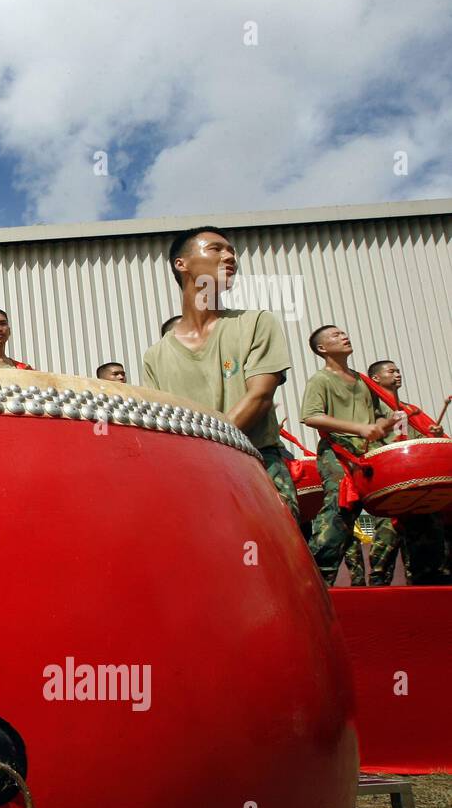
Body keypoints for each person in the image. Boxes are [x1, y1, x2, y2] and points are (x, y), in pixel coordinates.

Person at [141, 227, 298, 518]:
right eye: (216, 249)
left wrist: (206, 455)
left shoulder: (256, 323)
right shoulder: (155, 356)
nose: (230, 257)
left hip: (256, 462)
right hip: (188, 476)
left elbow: (260, 396)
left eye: (232, 252)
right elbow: (161, 427)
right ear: (182, 263)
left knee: (275, 557)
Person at [300, 329, 447, 585]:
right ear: (322, 349)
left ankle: (428, 575)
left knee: (414, 501)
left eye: (344, 333)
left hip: (370, 452)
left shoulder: (362, 380)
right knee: (341, 508)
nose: (344, 337)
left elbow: (379, 415)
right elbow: (311, 416)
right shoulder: (320, 380)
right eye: (335, 335)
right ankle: (316, 580)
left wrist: (383, 424)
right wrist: (360, 428)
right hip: (338, 450)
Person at [341, 359, 447, 585]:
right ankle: (379, 585)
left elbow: (421, 445)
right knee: (386, 540)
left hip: (414, 483)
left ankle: (427, 582)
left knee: (428, 536)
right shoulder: (371, 411)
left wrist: (433, 434)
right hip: (387, 482)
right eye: (391, 371)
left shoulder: (410, 410)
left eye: (398, 370)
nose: (398, 374)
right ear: (376, 378)